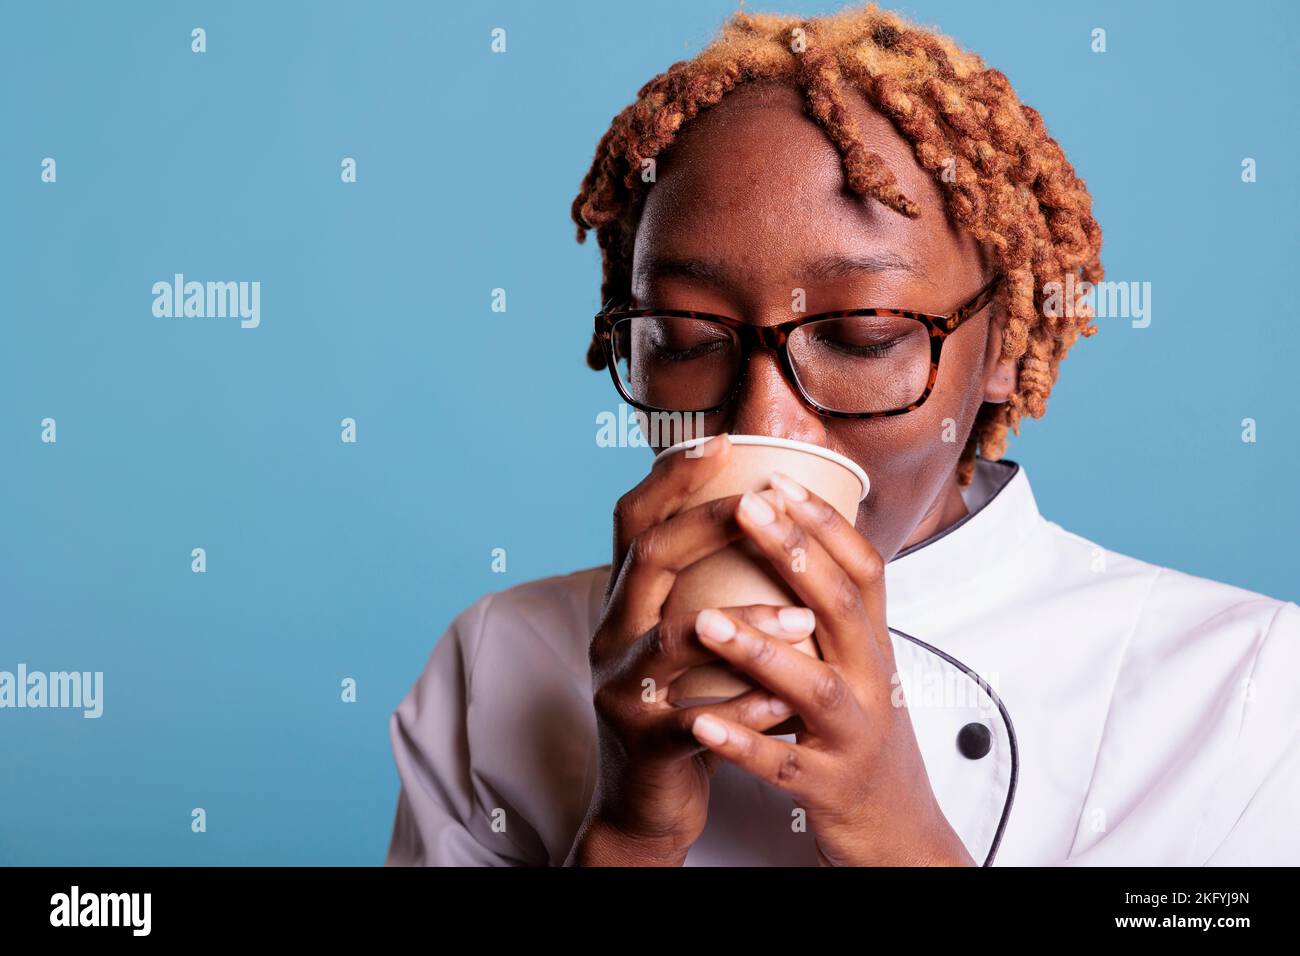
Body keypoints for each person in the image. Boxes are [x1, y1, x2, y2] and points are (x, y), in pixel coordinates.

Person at [385, 2, 1300, 866]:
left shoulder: (1243, 689)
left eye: (862, 338)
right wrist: (626, 832)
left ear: (1003, 350)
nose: (762, 425)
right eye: (687, 341)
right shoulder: (498, 663)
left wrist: (892, 829)